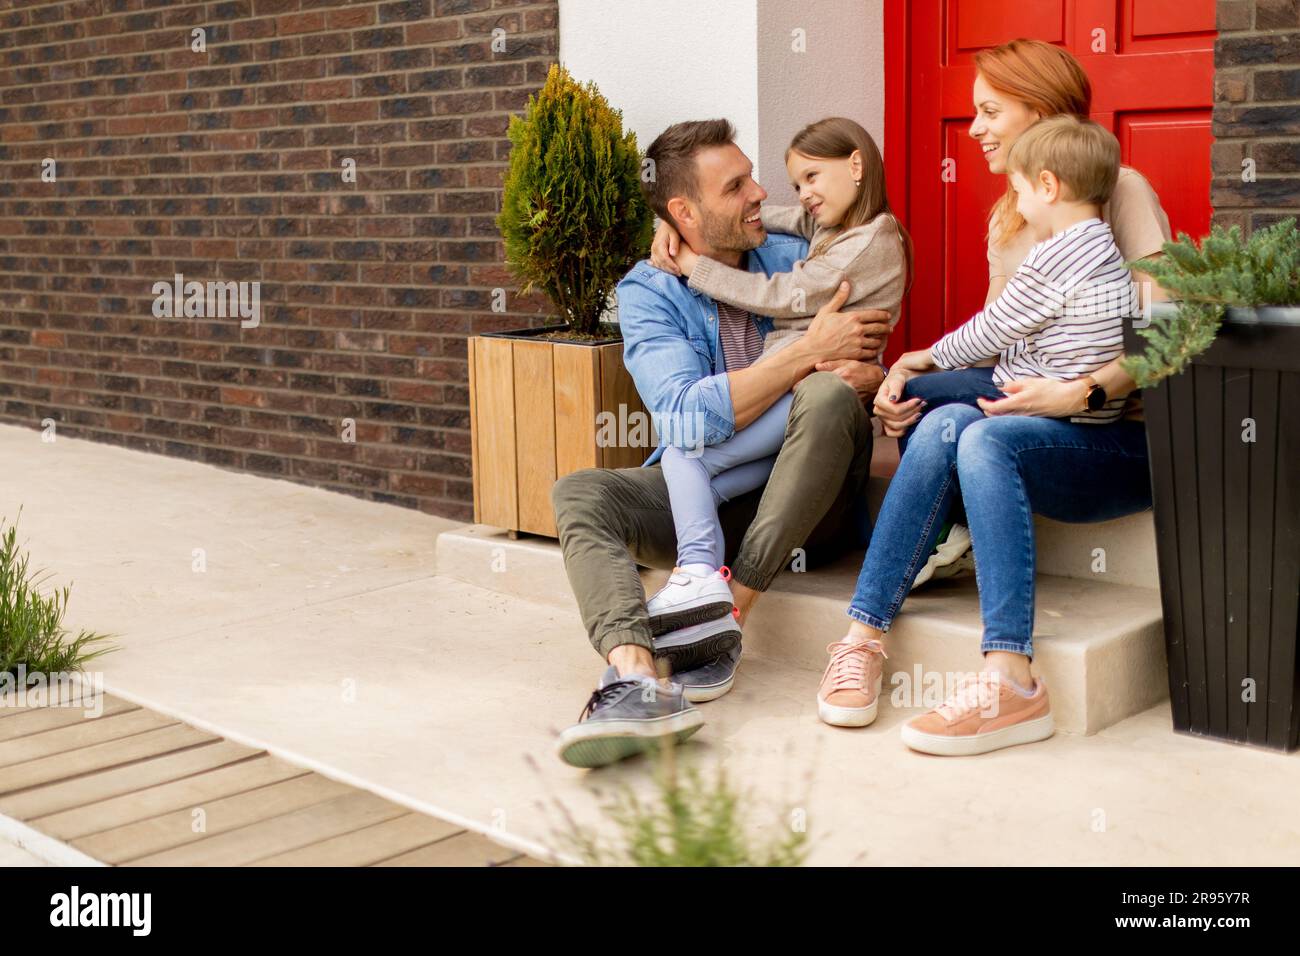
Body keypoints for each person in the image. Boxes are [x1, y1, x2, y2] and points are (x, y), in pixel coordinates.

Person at [824, 39, 1172, 754]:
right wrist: (907, 396)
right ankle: (862, 637)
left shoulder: (1120, 192)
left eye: (990, 111)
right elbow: (998, 353)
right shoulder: (1011, 219)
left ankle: (1010, 676)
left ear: (1040, 115)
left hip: (1112, 439)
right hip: (1030, 428)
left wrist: (1079, 393)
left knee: (973, 431)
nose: (975, 127)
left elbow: (1165, 334)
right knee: (949, 420)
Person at [553, 119, 893, 768]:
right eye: (736, 186)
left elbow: (859, 360)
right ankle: (633, 676)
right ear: (684, 211)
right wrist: (805, 357)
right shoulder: (649, 290)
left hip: (810, 498)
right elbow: (683, 420)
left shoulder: (797, 258)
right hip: (706, 495)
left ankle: (722, 623)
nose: (761, 192)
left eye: (754, 178)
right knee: (581, 492)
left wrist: (868, 372)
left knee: (824, 398)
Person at [642, 117, 910, 647]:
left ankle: (708, 583)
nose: (802, 196)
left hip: (803, 395)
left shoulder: (864, 243)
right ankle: (696, 579)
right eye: (797, 184)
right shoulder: (835, 228)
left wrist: (694, 265)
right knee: (685, 457)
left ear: (856, 166)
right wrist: (668, 224)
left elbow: (776, 294)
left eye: (813, 178)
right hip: (787, 398)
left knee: (685, 453)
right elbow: (788, 218)